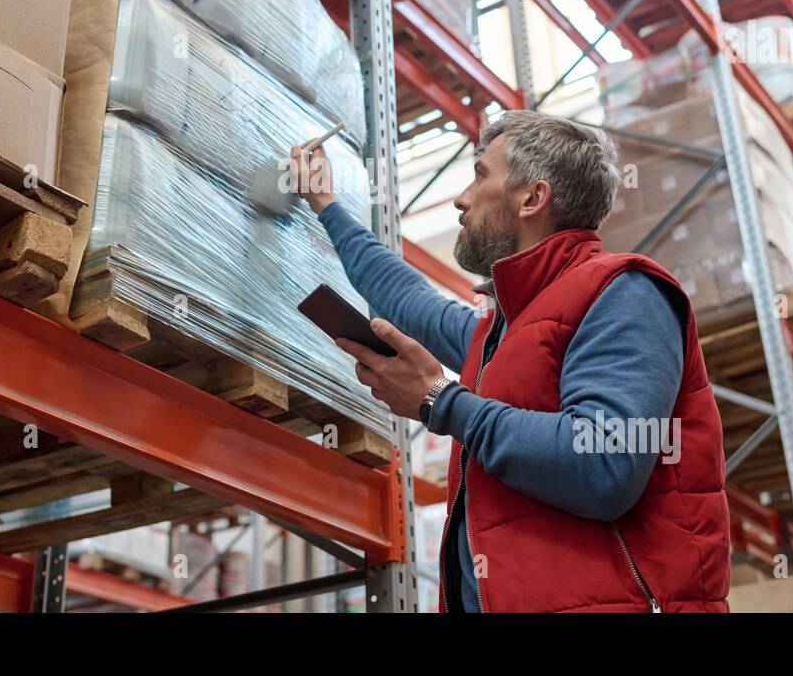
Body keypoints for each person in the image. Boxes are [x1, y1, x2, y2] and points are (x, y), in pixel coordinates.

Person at [291, 111, 731, 612]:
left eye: (480, 175)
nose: (461, 198)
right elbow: (406, 297)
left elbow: (605, 467)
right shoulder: (497, 331)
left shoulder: (625, 292)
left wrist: (439, 399)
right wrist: (324, 202)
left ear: (532, 198)